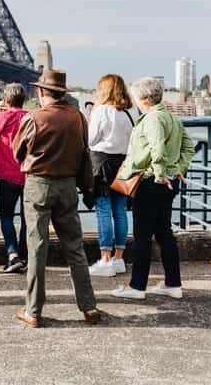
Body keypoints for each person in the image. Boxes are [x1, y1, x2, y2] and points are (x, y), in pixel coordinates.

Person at [12, 69, 102, 327]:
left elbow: (17, 152)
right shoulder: (78, 117)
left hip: (38, 185)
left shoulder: (34, 118)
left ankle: (33, 311)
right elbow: (85, 152)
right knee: (75, 247)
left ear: (42, 92)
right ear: (62, 92)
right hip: (68, 186)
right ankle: (89, 307)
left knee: (37, 248)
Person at [112, 77, 194, 301]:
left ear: (145, 99)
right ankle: (172, 283)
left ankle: (137, 286)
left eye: (136, 97)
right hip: (168, 183)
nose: (134, 101)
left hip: (151, 183)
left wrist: (159, 174)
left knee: (142, 236)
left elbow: (157, 149)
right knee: (164, 233)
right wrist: (178, 168)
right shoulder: (172, 117)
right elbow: (189, 147)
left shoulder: (152, 118)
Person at [87, 74, 134, 278]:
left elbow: (91, 140)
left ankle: (105, 259)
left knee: (103, 210)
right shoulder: (126, 114)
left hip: (102, 163)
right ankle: (119, 259)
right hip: (122, 165)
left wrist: (89, 118)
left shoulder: (100, 111)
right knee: (120, 211)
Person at [0, 83, 28, 273]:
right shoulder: (30, 117)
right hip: (29, 174)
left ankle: (13, 254)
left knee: (6, 216)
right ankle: (25, 255)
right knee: (27, 218)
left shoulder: (2, 117)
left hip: (8, 175)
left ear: (5, 100)